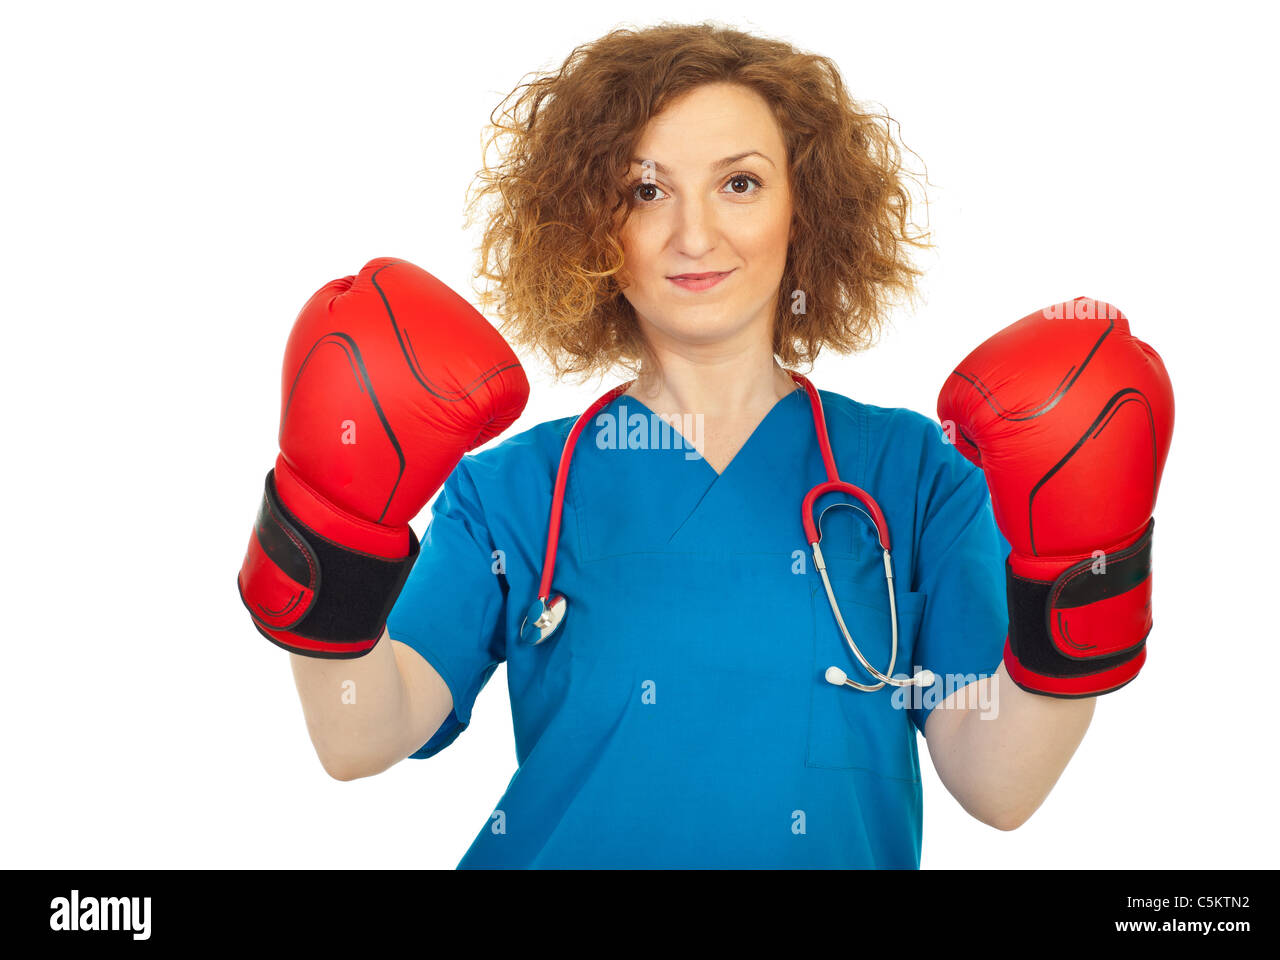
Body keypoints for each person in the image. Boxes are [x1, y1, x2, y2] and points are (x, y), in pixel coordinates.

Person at [238, 22, 1172, 869]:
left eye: (740, 182)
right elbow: (360, 740)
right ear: (593, 227)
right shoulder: (515, 490)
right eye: (646, 190)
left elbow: (1000, 788)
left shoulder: (919, 476)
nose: (695, 234)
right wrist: (325, 521)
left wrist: (1089, 571)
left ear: (805, 209)